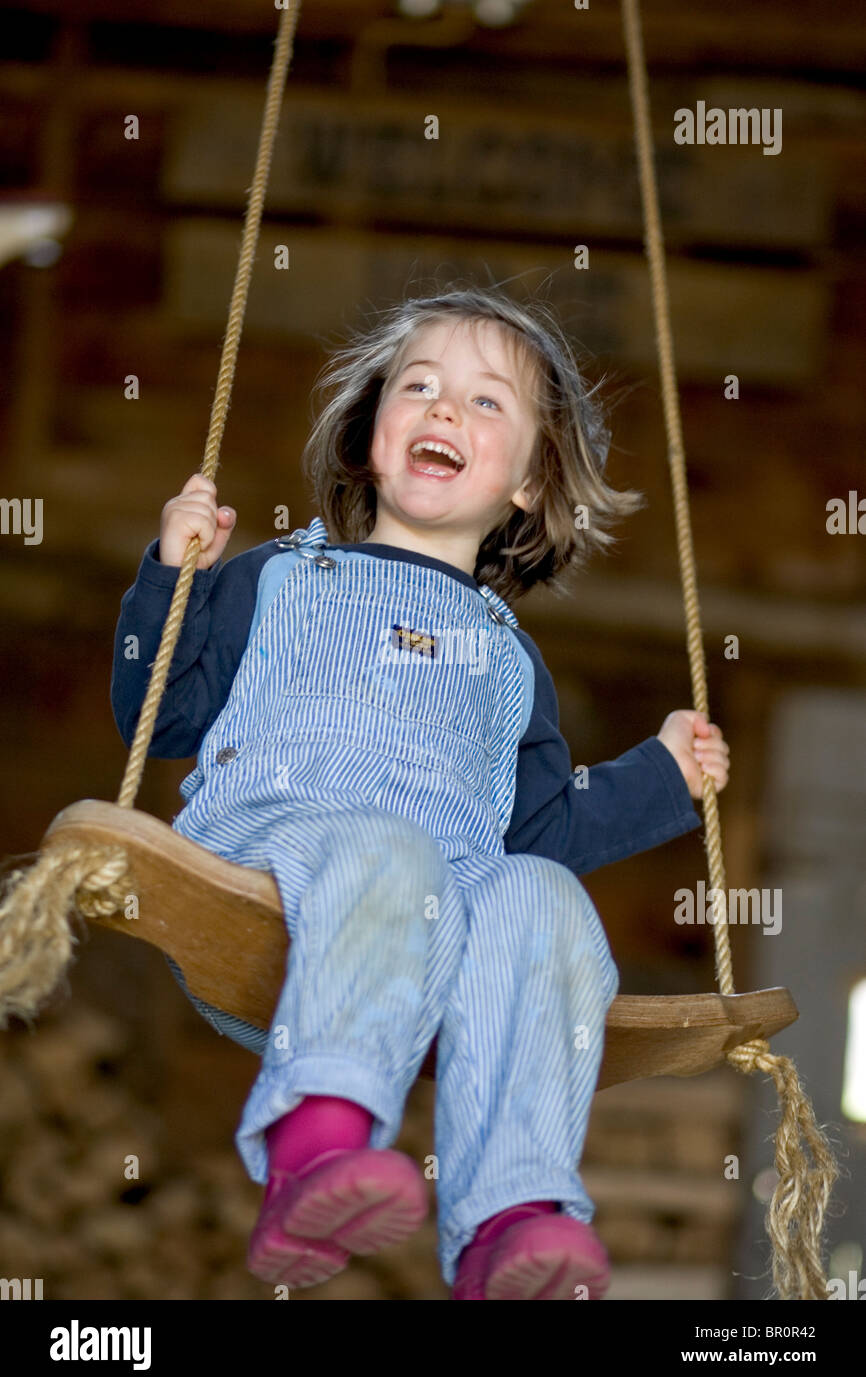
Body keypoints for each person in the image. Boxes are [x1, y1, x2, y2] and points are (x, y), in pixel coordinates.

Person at [111, 286, 729, 1300]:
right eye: (420, 386)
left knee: (540, 898)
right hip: (265, 878)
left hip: (438, 941)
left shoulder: (507, 664)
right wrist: (167, 581)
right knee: (388, 850)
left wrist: (659, 776)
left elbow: (539, 831)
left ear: (530, 482)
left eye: (486, 403)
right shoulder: (271, 579)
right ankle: (314, 1146)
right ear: (367, 437)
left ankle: (509, 1222)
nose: (444, 410)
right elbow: (154, 715)